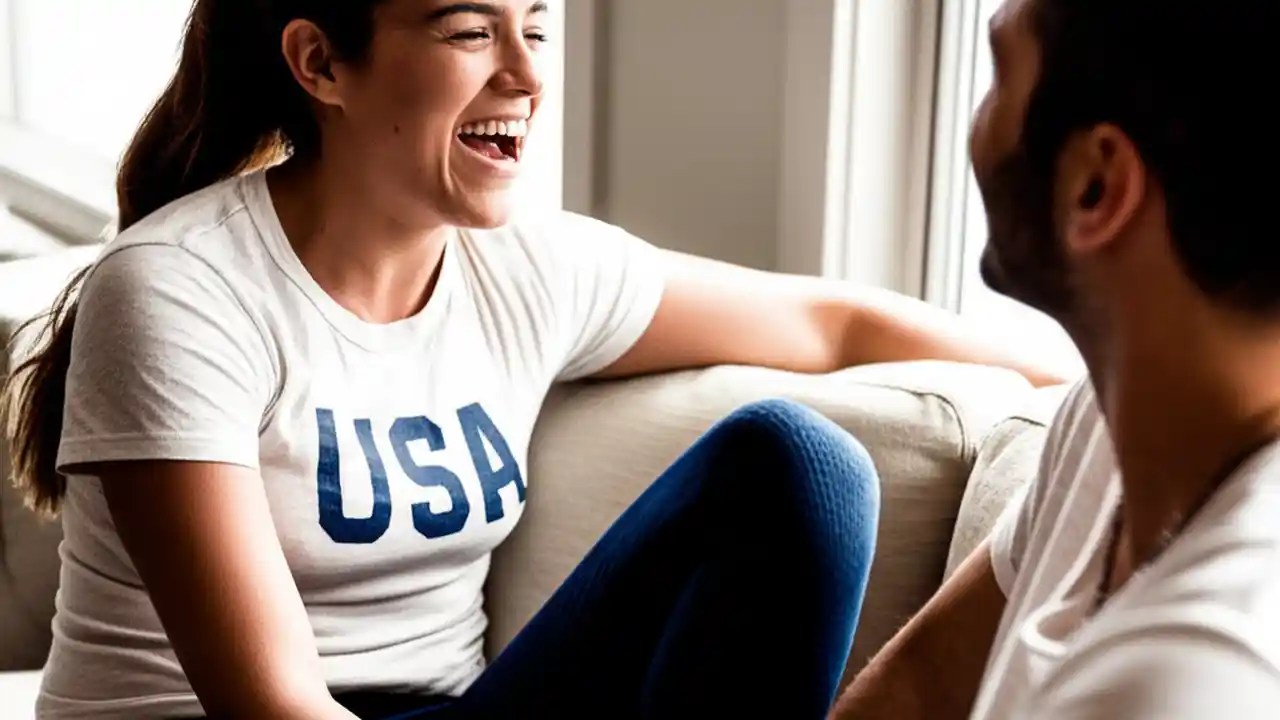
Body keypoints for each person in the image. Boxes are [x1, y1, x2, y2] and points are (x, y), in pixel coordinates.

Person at [1, 1, 1065, 719]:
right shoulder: (179, 290)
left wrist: (1088, 389)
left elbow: (837, 328)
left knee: (794, 464)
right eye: (470, 30)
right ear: (320, 63)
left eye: (538, 27)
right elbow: (271, 708)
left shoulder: (529, 270)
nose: (522, 72)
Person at [831, 0, 1280, 718]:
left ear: (1096, 187)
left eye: (1000, 75)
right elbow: (921, 686)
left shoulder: (1198, 676)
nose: (974, 131)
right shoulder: (1108, 425)